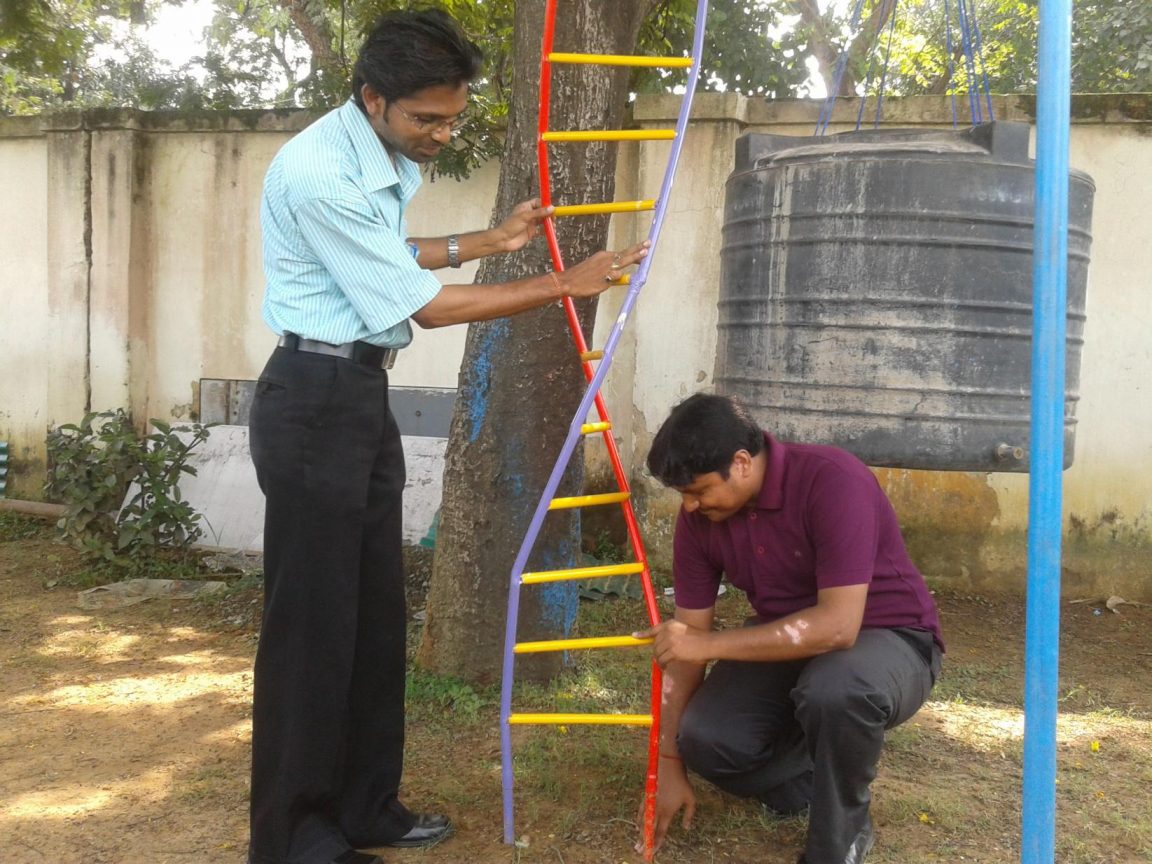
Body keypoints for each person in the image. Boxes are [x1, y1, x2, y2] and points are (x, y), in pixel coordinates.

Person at [247, 10, 648, 864]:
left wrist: (487, 241)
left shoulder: (365, 157)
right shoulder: (320, 171)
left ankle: (365, 807)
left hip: (354, 392)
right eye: (426, 119)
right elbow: (418, 306)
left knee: (372, 615)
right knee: (313, 626)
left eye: (453, 116)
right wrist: (559, 283)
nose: (441, 133)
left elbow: (387, 258)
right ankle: (294, 836)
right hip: (313, 401)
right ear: (372, 98)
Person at [635, 393, 943, 864]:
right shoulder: (700, 520)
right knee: (707, 739)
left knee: (837, 690)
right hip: (786, 639)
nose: (691, 508)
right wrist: (671, 762)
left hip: (889, 637)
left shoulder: (833, 480)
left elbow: (838, 627)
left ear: (740, 463)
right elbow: (689, 639)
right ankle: (824, 779)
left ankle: (839, 839)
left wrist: (708, 644)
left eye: (697, 491)